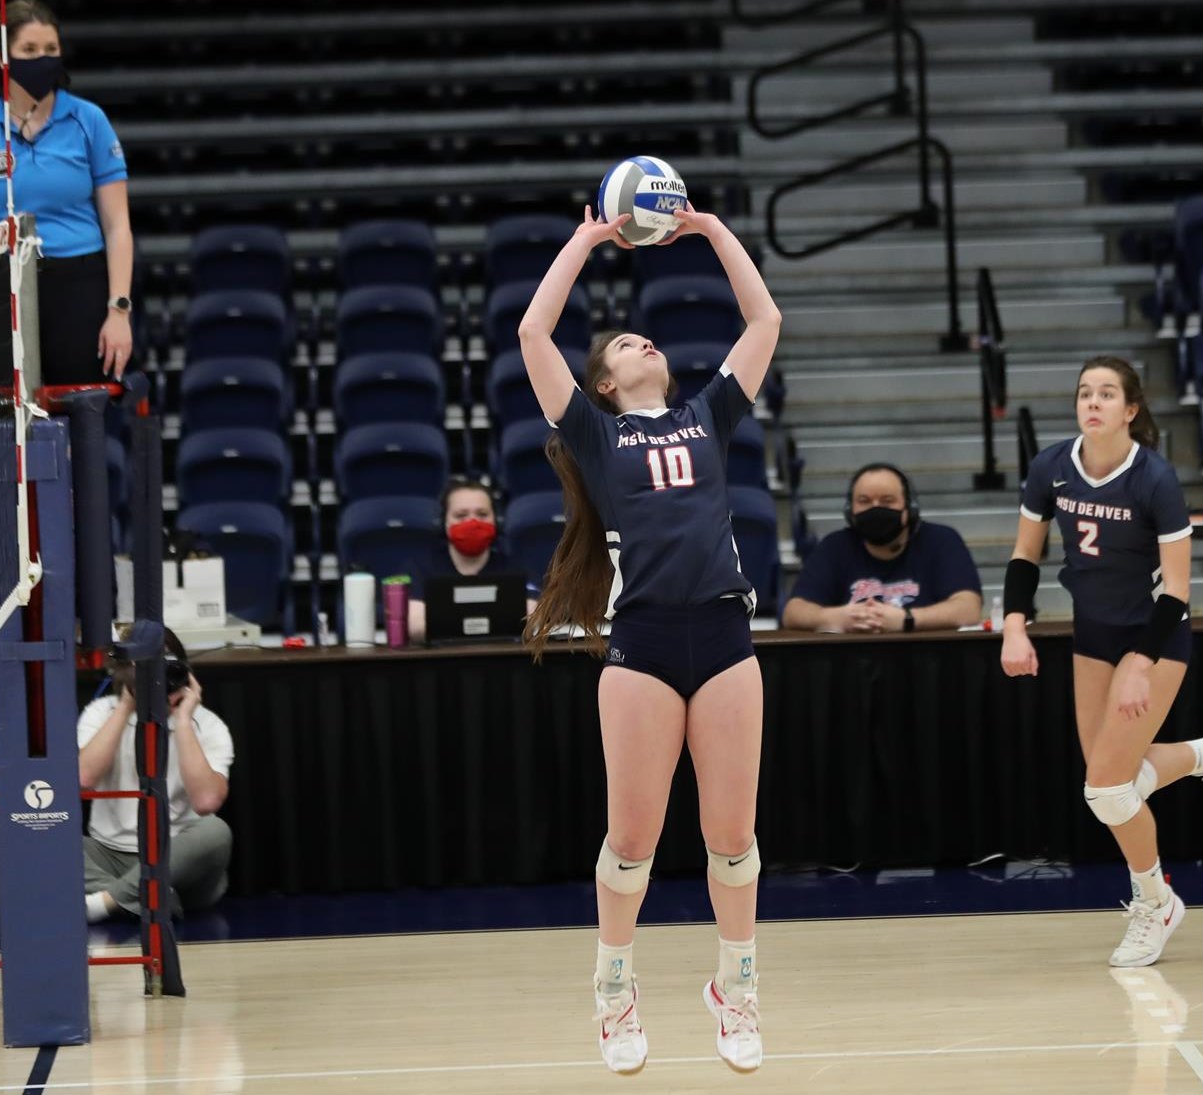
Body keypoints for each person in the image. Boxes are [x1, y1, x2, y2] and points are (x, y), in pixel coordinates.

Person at [519, 201, 778, 1074]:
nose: (644, 343)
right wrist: (587, 239)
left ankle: (736, 989)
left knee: (732, 838)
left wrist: (712, 231)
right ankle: (614, 991)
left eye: (646, 338)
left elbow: (764, 321)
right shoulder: (595, 434)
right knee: (631, 843)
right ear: (604, 382)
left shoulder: (709, 413)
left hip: (725, 632)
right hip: (644, 645)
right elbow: (532, 332)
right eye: (625, 344)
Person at [1000, 356, 1203, 967]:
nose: (1092, 403)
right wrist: (1014, 626)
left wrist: (1140, 662)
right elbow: (1024, 556)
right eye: (1084, 393)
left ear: (1130, 410)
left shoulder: (1155, 479)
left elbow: (1177, 590)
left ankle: (1156, 903)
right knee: (1110, 788)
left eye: (1106, 394)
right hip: (1093, 635)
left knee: (1106, 789)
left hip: (1157, 634)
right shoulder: (1051, 467)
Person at [0, 1, 134, 389]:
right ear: (2, 57)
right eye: (29, 50)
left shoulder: (89, 120)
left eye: (50, 49)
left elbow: (118, 225)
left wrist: (119, 311)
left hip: (78, 284)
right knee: (0, 413)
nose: (42, 58)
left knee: (80, 409)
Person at [77, 627, 233, 922]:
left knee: (216, 832)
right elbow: (83, 780)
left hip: (180, 862)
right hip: (109, 856)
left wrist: (183, 720)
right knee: (49, 835)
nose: (155, 678)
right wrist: (126, 705)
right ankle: (151, 899)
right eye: (145, 669)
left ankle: (110, 901)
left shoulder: (208, 725)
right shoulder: (101, 713)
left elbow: (206, 802)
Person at [780, 463, 984, 633]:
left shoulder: (941, 540)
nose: (876, 508)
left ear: (909, 509)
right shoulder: (835, 546)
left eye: (887, 501)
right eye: (864, 501)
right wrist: (838, 617)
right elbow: (793, 612)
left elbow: (968, 609)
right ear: (850, 511)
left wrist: (907, 619)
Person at [404, 478, 539, 645]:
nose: (473, 523)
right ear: (444, 522)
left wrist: (449, 622)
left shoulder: (517, 567)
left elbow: (530, 622)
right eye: (461, 516)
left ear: (496, 520)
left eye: (482, 514)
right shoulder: (421, 569)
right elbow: (416, 628)